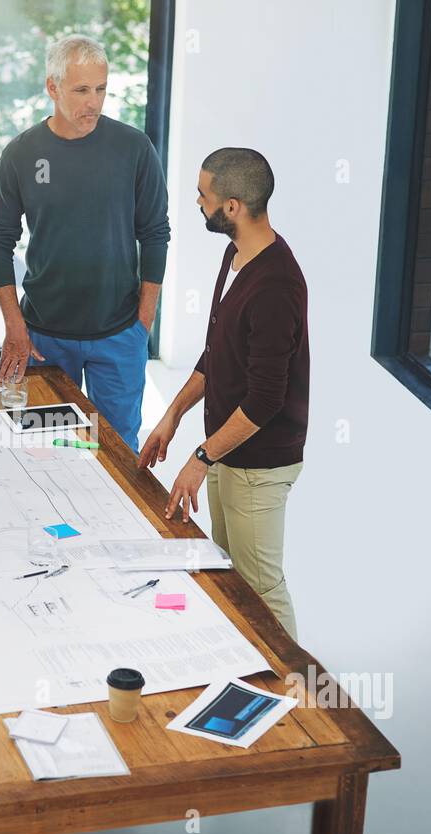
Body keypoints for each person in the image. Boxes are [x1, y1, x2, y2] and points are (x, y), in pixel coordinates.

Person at [138, 148, 308, 640]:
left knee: (262, 587)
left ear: (231, 206)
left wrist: (200, 457)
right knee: (230, 577)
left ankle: (295, 696)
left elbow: (264, 400)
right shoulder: (236, 256)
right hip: (227, 455)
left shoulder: (275, 286)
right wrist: (173, 415)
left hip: (258, 466)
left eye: (204, 195)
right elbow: (218, 354)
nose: (197, 201)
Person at [0, 34, 170, 453]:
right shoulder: (22, 155)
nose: (94, 102)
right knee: (43, 446)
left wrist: (144, 319)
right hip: (44, 337)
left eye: (101, 89)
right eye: (82, 90)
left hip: (120, 334)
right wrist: (15, 326)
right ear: (52, 88)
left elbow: (156, 232)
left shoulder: (134, 148)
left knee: (119, 449)